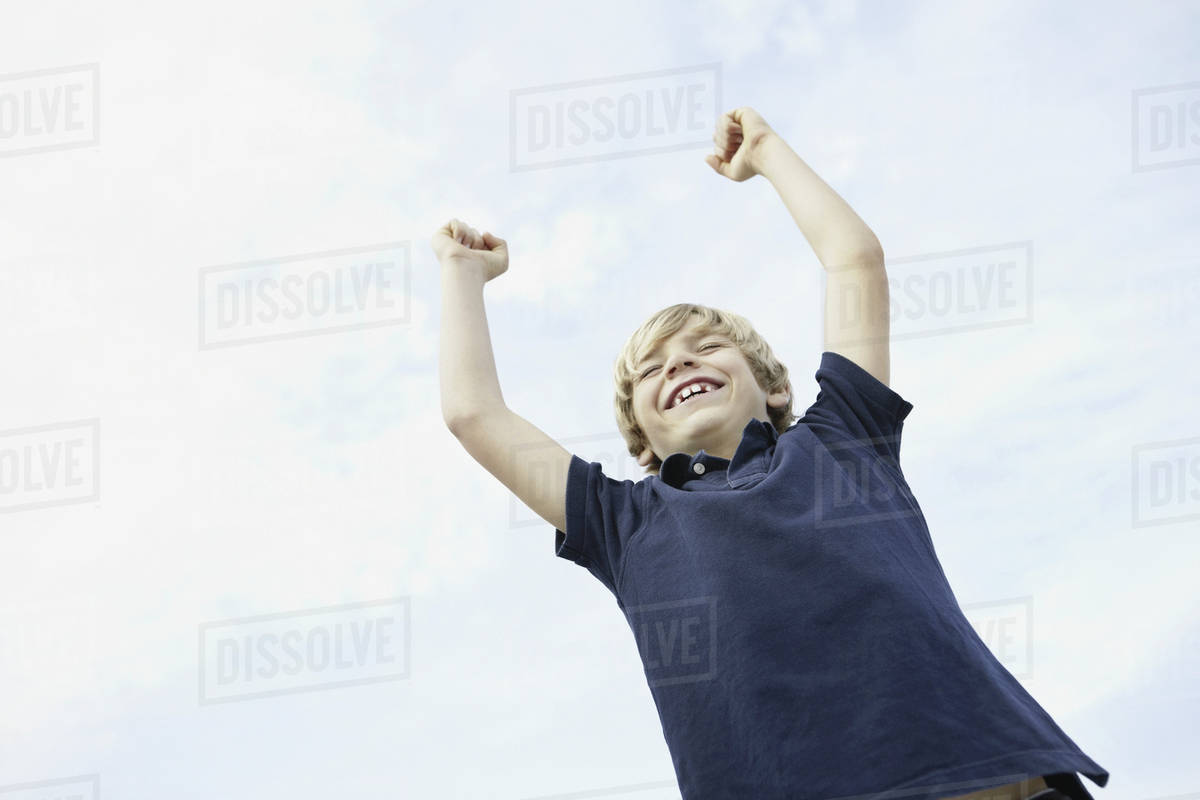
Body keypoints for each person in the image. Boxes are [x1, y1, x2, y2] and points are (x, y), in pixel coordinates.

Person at [433, 107, 1109, 800]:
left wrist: (766, 151)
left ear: (776, 385)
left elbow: (855, 260)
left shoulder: (845, 436)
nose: (678, 364)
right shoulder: (623, 522)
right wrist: (461, 271)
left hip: (986, 773)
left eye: (704, 347)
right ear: (639, 441)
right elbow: (474, 414)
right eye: (651, 370)